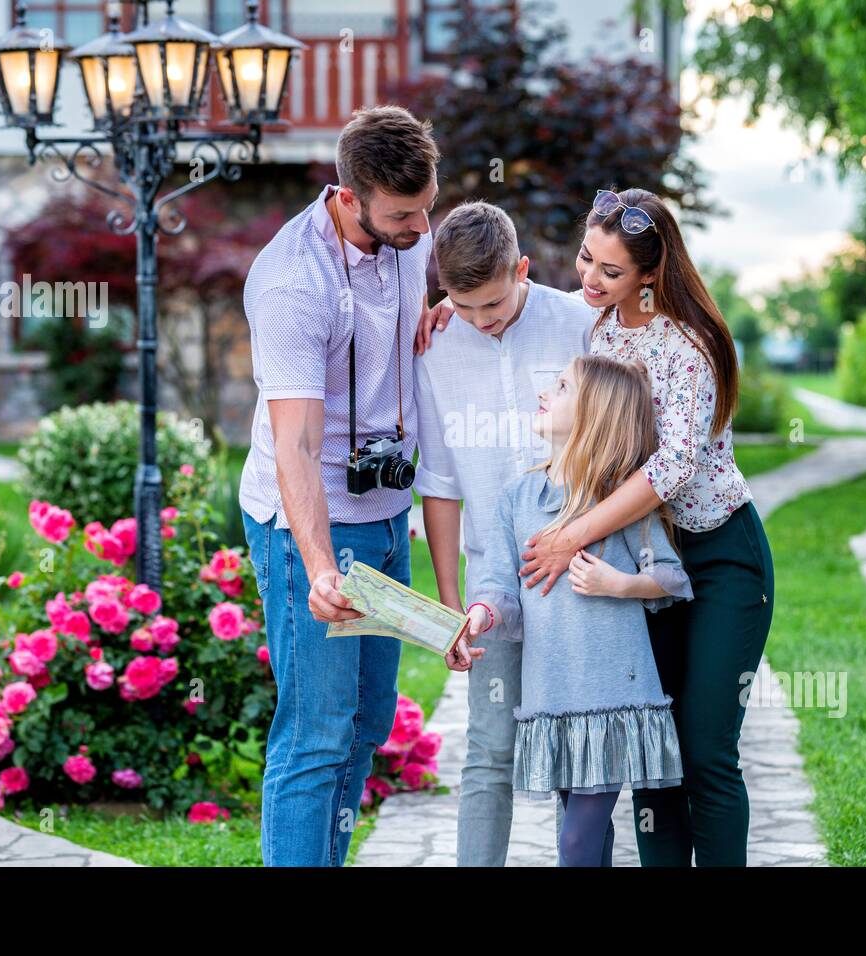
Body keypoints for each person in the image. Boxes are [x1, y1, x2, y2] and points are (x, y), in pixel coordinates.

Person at [519, 187, 775, 867]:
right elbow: (525, 302)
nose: (589, 279)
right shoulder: (600, 329)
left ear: (651, 275)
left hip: (719, 556)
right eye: (585, 259)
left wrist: (572, 535)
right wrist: (443, 313)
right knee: (654, 752)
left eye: (610, 271)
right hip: (639, 561)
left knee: (705, 750)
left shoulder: (687, 348)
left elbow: (674, 466)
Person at [238, 105, 446, 867]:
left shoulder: (408, 232)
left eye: (428, 207)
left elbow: (431, 280)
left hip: (387, 516)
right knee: (317, 733)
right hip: (311, 524)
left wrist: (442, 304)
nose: (422, 228)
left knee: (367, 724)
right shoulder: (294, 282)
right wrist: (320, 564)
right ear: (349, 195)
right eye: (404, 215)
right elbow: (293, 442)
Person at [413, 200, 597, 866]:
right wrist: (445, 602)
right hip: (495, 590)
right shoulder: (434, 348)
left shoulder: (578, 326)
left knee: (580, 759)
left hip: (580, 581)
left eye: (492, 305)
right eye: (463, 307)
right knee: (489, 753)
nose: (480, 322)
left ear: (521, 269)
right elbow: (438, 482)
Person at [458, 354, 693, 867]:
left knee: (575, 843)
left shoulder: (621, 501)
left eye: (561, 387)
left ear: (594, 414)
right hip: (553, 699)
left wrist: (619, 583)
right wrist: (478, 615)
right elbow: (500, 587)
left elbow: (673, 579)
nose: (545, 393)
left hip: (611, 700)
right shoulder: (518, 498)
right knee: (589, 839)